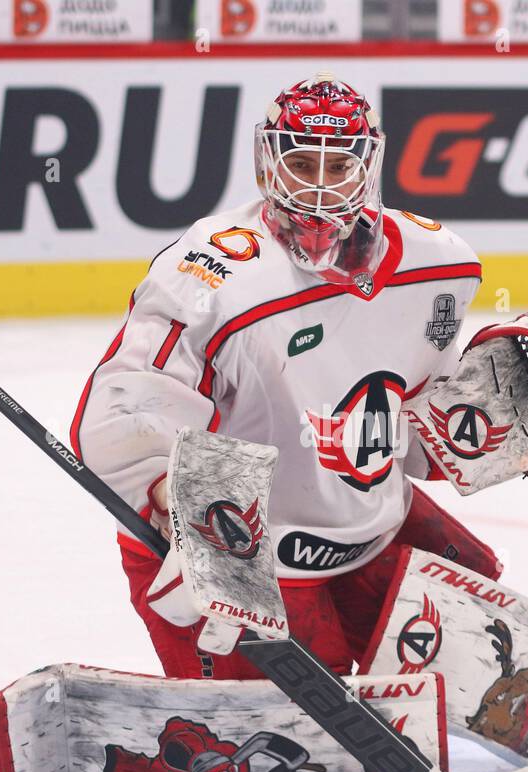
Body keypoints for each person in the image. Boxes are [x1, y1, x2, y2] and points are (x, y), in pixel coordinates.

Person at [71, 72, 498, 680]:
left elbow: (420, 417)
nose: (321, 188)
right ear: (269, 163)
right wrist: (186, 502)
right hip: (233, 549)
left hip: (368, 526)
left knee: (486, 660)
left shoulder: (441, 265)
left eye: (337, 166)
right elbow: (128, 405)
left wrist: (482, 421)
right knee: (293, 758)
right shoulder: (213, 270)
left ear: (367, 164)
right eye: (302, 163)